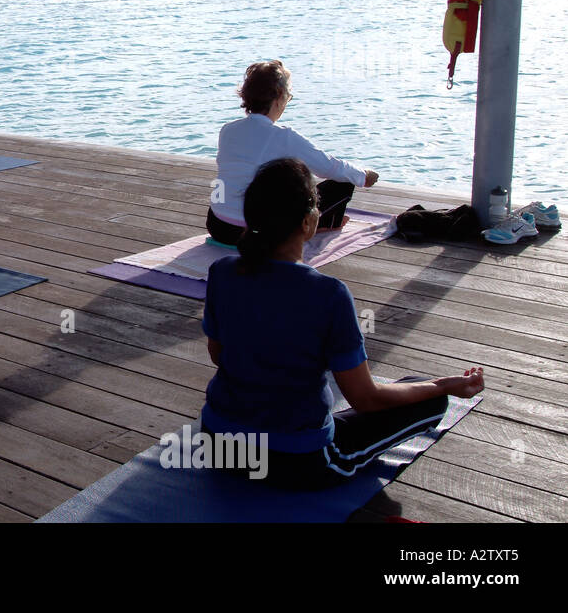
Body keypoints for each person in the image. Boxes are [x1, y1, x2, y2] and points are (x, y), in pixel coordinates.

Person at [200, 158, 484, 490]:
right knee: (427, 397)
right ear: (308, 222)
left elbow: (220, 355)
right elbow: (366, 399)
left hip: (219, 445)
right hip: (296, 461)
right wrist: (442, 386)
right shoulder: (328, 294)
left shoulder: (222, 273)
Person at [207, 60, 379, 246]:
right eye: (289, 96)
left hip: (218, 225)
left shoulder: (228, 130)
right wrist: (364, 175)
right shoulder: (283, 136)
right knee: (342, 184)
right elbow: (329, 167)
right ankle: (322, 223)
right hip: (257, 231)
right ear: (280, 97)